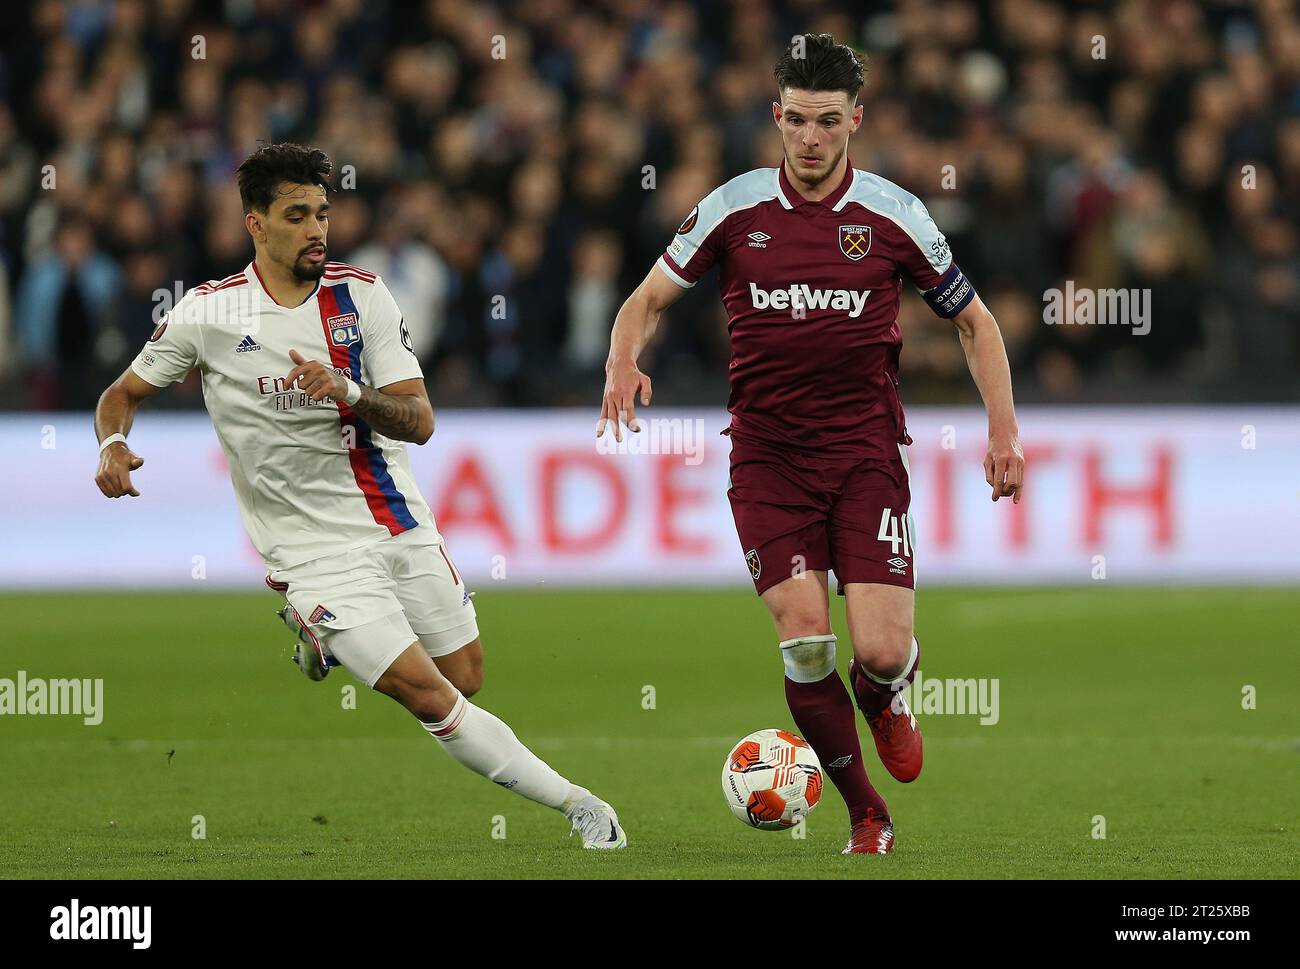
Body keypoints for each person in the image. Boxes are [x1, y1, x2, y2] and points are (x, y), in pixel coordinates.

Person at [95, 142, 626, 850]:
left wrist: (346, 389)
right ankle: (583, 806)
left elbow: (421, 421)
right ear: (256, 224)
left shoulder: (363, 295)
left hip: (393, 516)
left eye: (323, 211)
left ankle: (324, 638)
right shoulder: (208, 314)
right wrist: (111, 443)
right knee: (426, 695)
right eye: (297, 215)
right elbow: (121, 394)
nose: (317, 228)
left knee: (464, 676)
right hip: (310, 550)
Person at [597, 34, 1024, 854]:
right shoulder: (734, 208)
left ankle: (886, 689)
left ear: (856, 120)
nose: (812, 139)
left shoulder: (895, 215)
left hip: (865, 454)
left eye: (829, 122)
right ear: (777, 117)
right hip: (767, 459)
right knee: (804, 638)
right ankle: (867, 812)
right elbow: (645, 299)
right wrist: (622, 359)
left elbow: (974, 320)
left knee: (880, 647)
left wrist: (1003, 430)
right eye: (797, 121)